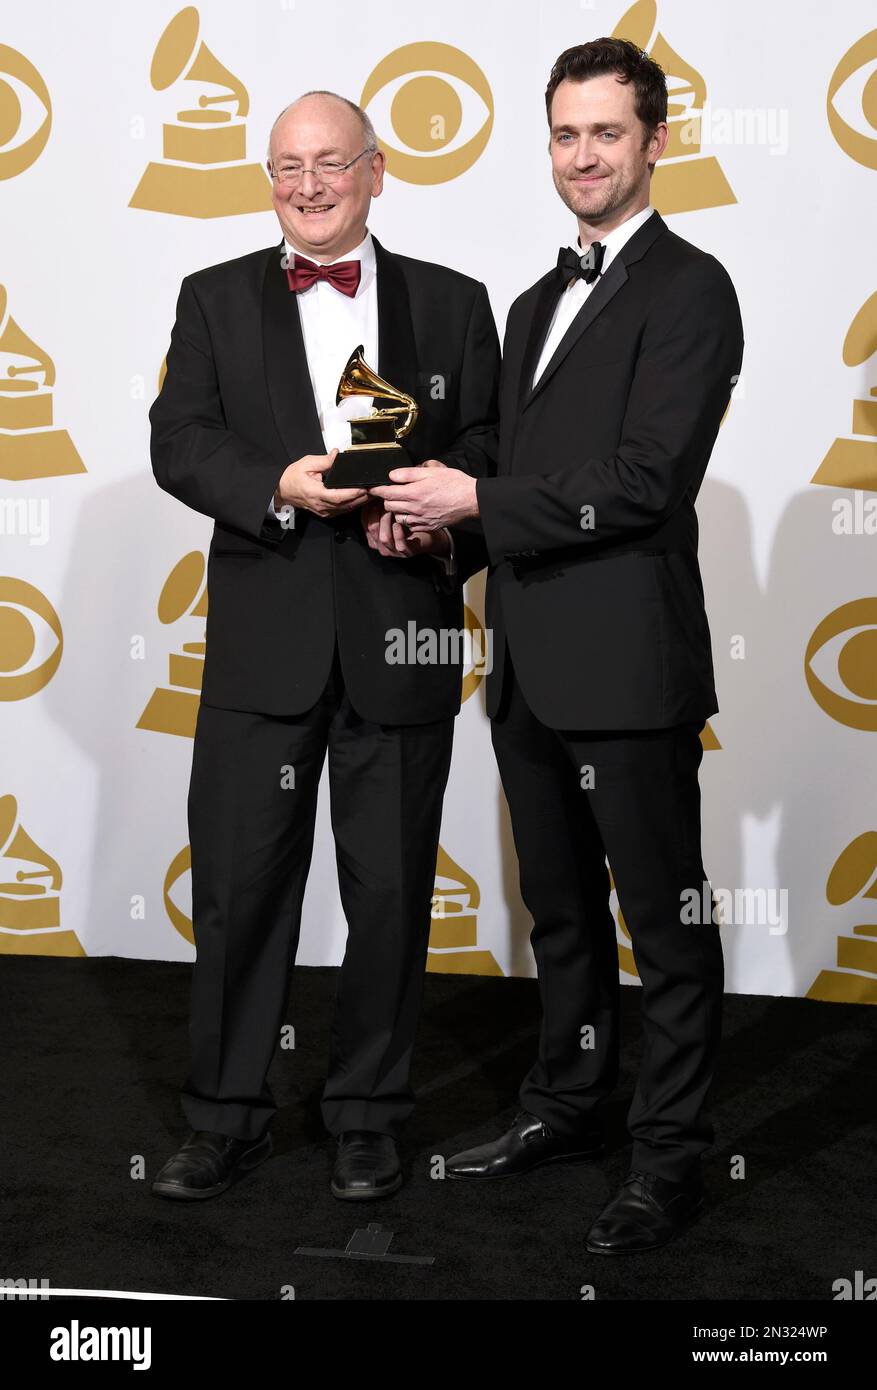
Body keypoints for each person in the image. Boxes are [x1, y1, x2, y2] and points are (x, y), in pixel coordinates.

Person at [371, 38, 744, 1253]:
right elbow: (511, 483)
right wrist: (422, 532)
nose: (581, 155)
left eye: (605, 133)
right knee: (564, 919)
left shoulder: (692, 288)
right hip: (527, 666)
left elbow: (642, 481)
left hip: (628, 667)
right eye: (564, 134)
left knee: (667, 922)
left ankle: (671, 1155)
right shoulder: (531, 304)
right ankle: (569, 1105)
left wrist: (473, 502)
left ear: (654, 143)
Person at [148, 90, 499, 1203]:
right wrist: (277, 485)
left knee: (391, 891)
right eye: (286, 166)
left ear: (377, 171)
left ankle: (365, 1112)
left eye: (329, 164)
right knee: (243, 892)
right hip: (264, 641)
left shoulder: (452, 303)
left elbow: (492, 447)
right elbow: (180, 441)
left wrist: (443, 520)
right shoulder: (212, 298)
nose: (306, 185)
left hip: (401, 630)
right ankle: (226, 1114)